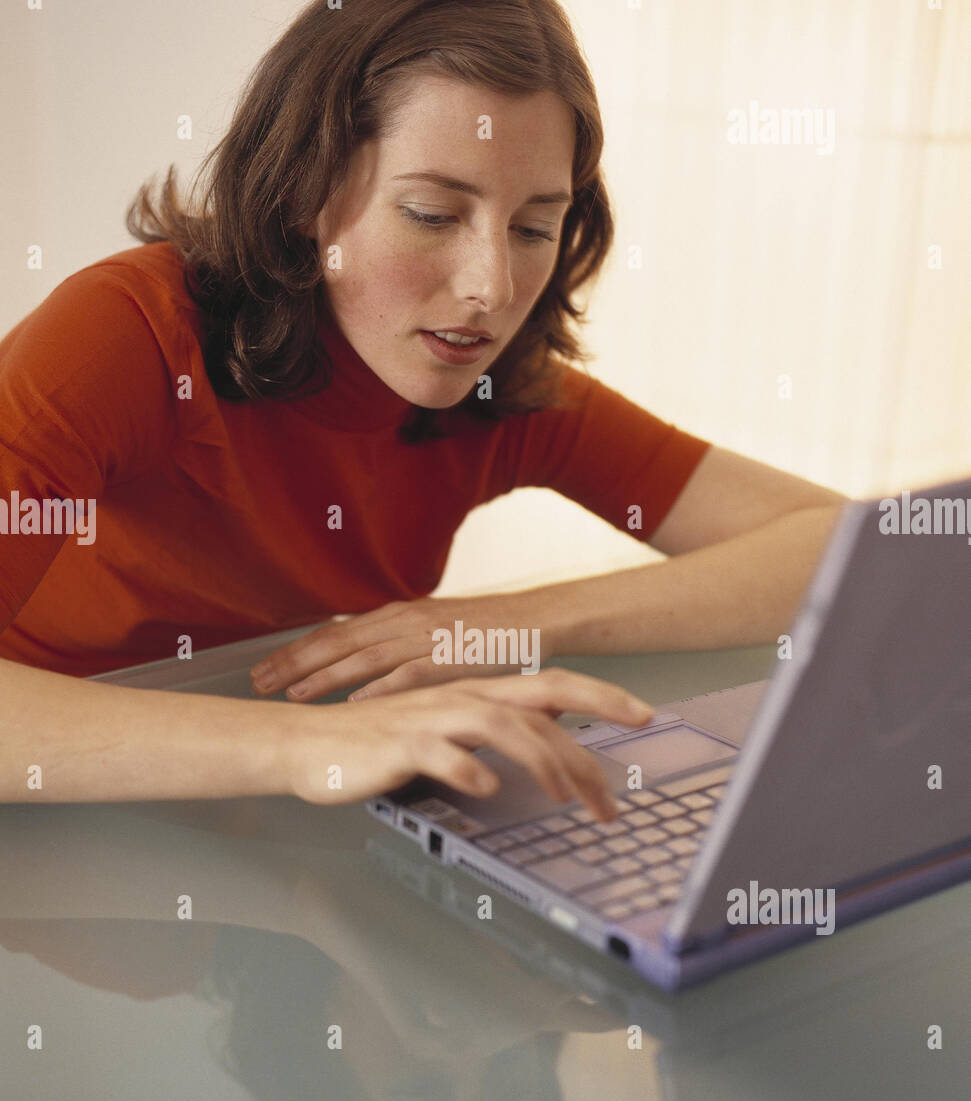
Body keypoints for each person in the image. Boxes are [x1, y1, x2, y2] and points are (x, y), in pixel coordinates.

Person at [0, 0, 842, 813]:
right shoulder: (127, 335)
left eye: (532, 227)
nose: (491, 287)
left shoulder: (494, 385)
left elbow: (846, 553)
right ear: (305, 193)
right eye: (433, 214)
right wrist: (304, 749)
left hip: (231, 816)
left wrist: (517, 620)